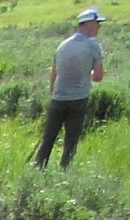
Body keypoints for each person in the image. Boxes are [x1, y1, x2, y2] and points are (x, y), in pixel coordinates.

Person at [34, 9, 104, 169]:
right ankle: (64, 172)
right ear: (88, 23)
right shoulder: (93, 46)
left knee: (48, 138)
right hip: (79, 99)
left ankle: (38, 169)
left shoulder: (62, 45)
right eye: (97, 23)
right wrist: (89, 72)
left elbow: (53, 74)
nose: (99, 26)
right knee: (71, 141)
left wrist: (54, 96)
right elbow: (98, 77)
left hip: (58, 98)